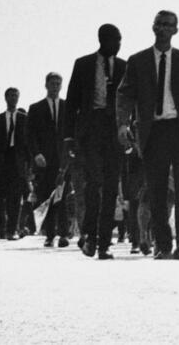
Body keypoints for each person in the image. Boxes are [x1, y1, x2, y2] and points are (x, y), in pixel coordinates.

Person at [117, 10, 179, 260]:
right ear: (153, 27)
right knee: (157, 190)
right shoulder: (138, 61)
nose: (163, 28)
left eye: (168, 25)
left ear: (175, 30)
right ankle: (162, 243)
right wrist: (123, 123)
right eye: (159, 24)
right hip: (153, 131)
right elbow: (125, 94)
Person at [63, 23, 124, 259]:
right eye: (114, 40)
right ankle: (89, 234)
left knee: (111, 186)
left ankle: (104, 243)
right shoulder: (84, 65)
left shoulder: (123, 67)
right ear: (103, 40)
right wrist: (69, 137)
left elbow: (130, 100)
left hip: (114, 132)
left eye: (120, 41)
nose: (118, 45)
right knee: (93, 183)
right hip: (91, 131)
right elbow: (72, 103)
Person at [27, 72, 71, 248]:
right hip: (44, 161)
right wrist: (36, 154)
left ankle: (63, 233)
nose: (55, 86)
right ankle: (49, 233)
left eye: (58, 83)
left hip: (63, 159)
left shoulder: (67, 107)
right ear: (46, 85)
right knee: (47, 196)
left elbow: (71, 133)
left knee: (63, 196)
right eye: (52, 83)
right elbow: (30, 135)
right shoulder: (36, 108)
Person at [0, 88, 29, 240]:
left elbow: (29, 144)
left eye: (16, 96)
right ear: (5, 98)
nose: (13, 98)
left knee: (15, 197)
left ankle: (12, 229)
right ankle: (2, 225)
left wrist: (29, 166)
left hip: (17, 163)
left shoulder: (25, 119)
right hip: (0, 163)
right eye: (10, 96)